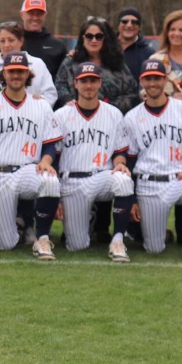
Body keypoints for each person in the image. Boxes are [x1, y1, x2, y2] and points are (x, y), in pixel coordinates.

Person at [113, 60, 182, 263]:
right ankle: (158, 232)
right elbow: (131, 161)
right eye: (148, 78)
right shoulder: (132, 117)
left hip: (179, 181)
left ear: (165, 80)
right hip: (148, 184)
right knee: (154, 249)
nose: (153, 83)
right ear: (141, 80)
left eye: (157, 78)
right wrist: (133, 198)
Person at [0, 51, 64, 259]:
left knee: (50, 180)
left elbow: (51, 143)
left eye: (20, 71)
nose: (16, 75)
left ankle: (42, 239)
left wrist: (46, 160)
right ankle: (12, 229)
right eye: (12, 71)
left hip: (27, 170)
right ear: (4, 75)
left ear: (28, 74)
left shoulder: (41, 105)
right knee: (5, 245)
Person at [54, 63, 136, 261]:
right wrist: (56, 195)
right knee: (76, 246)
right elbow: (53, 156)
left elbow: (119, 150)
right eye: (84, 81)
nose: (88, 86)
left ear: (100, 83)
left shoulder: (113, 113)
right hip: (70, 182)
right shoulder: (61, 115)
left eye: (93, 81)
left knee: (123, 179)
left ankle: (117, 240)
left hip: (101, 177)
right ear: (76, 83)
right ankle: (87, 216)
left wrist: (119, 163)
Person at [56, 17, 139, 112]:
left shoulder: (117, 63)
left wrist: (109, 107)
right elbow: (60, 85)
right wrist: (68, 100)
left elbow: (132, 93)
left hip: (111, 117)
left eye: (98, 36)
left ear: (105, 39)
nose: (94, 40)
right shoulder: (70, 62)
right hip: (76, 116)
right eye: (89, 36)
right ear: (82, 38)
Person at [0, 21, 57, 106]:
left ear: (21, 41)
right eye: (2, 41)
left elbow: (50, 95)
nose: (7, 45)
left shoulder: (37, 65)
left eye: (11, 40)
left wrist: (39, 102)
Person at [19, 0, 67, 77]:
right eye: (31, 13)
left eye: (39, 14)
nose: (35, 18)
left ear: (45, 15)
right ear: (22, 14)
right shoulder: (12, 42)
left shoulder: (57, 45)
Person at [117, 6, 155, 80]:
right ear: (118, 25)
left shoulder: (149, 54)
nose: (129, 25)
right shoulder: (106, 48)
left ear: (139, 27)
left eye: (134, 22)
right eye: (124, 21)